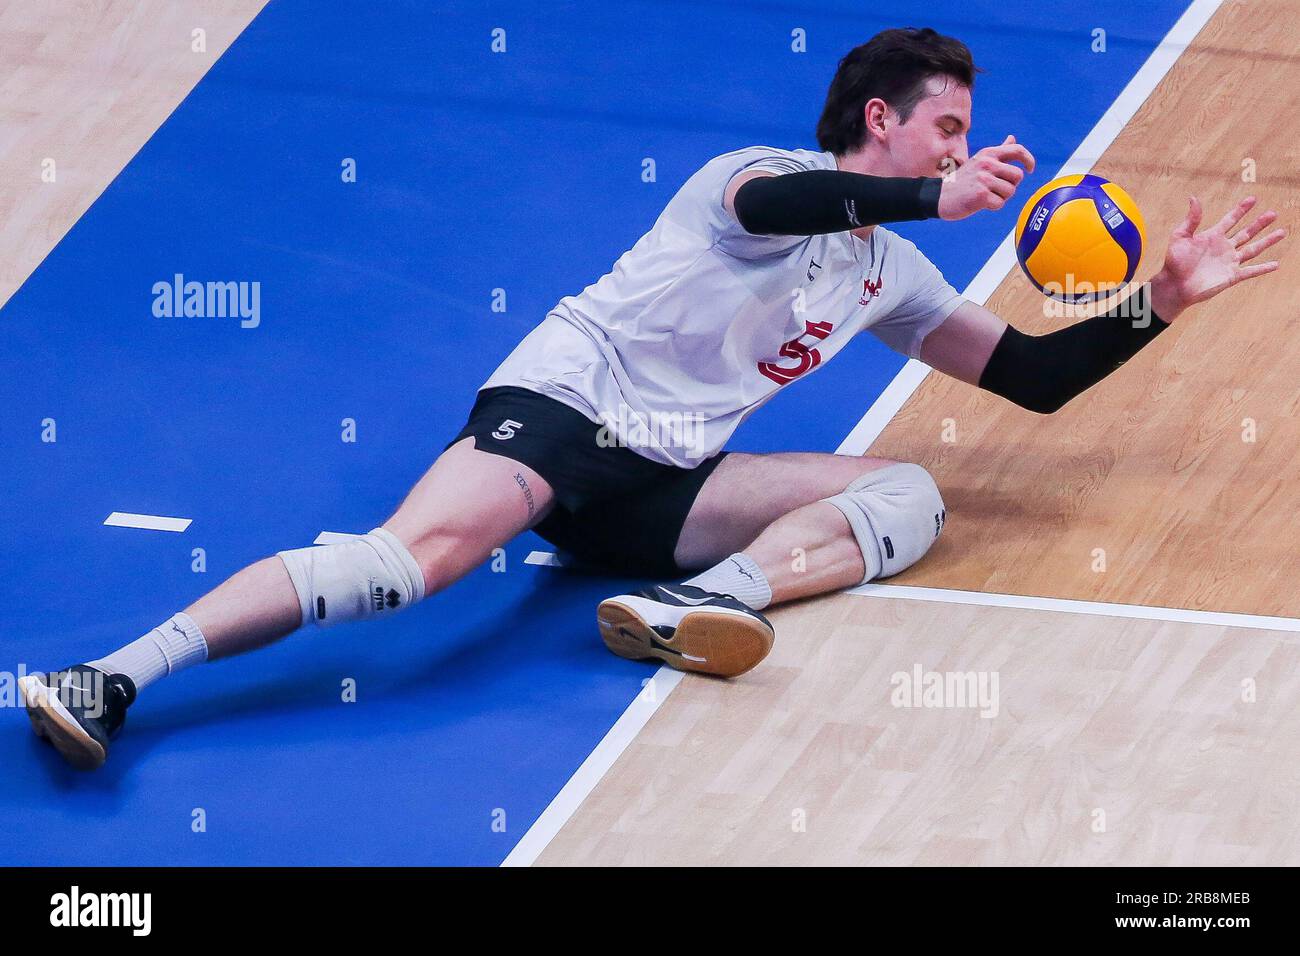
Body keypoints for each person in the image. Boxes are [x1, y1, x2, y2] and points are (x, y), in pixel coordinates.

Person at [21, 27, 1285, 770]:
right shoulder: (756, 177)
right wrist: (931, 201)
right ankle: (112, 677)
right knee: (401, 569)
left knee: (902, 494)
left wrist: (1163, 299)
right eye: (946, 124)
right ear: (879, 118)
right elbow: (788, 209)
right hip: (567, 409)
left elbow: (1028, 375)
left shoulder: (889, 269)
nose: (963, 146)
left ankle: (695, 602)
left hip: (663, 491)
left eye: (967, 133)